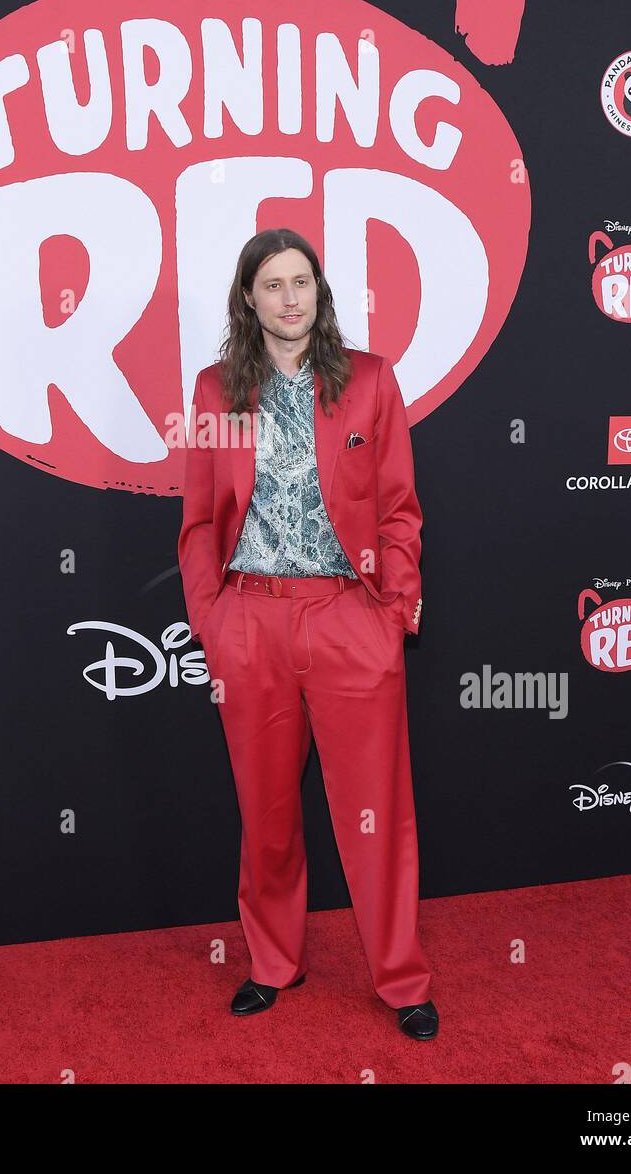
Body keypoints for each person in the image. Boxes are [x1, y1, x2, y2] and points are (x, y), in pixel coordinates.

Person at [178, 227, 437, 1040]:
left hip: (346, 617)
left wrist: (392, 612)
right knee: (265, 812)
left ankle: (401, 978)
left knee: (377, 811)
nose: (290, 298)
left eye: (302, 282)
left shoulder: (366, 382)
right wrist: (210, 619)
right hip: (248, 620)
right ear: (248, 299)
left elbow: (398, 510)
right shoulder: (216, 391)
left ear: (318, 293)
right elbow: (195, 520)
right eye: (273, 285)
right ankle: (270, 963)